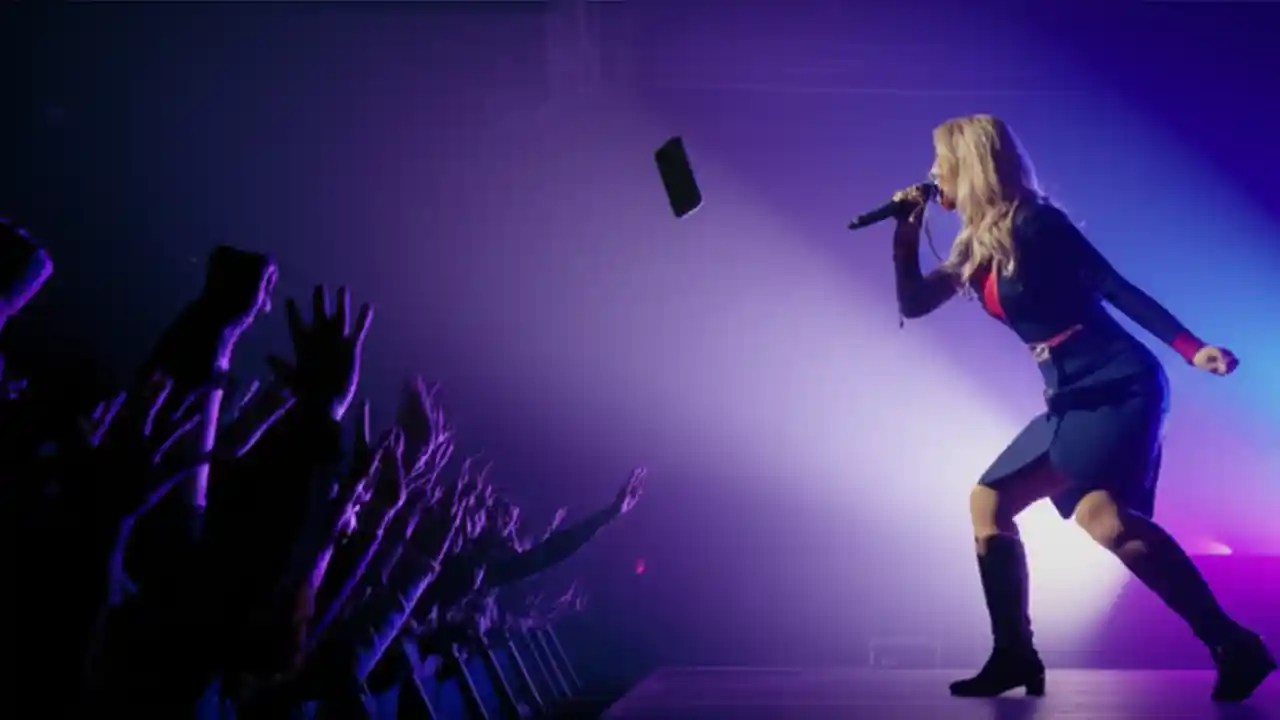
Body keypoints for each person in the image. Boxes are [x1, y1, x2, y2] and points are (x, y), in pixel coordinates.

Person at [889, 114, 1275, 702]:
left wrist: (1192, 349)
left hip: (1119, 385)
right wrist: (905, 235)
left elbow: (1114, 286)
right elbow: (914, 303)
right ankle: (1018, 653)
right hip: (1068, 398)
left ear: (970, 166)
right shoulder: (975, 246)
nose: (932, 173)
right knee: (1026, 507)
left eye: (940, 162)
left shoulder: (1038, 223)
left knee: (1093, 518)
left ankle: (1230, 644)